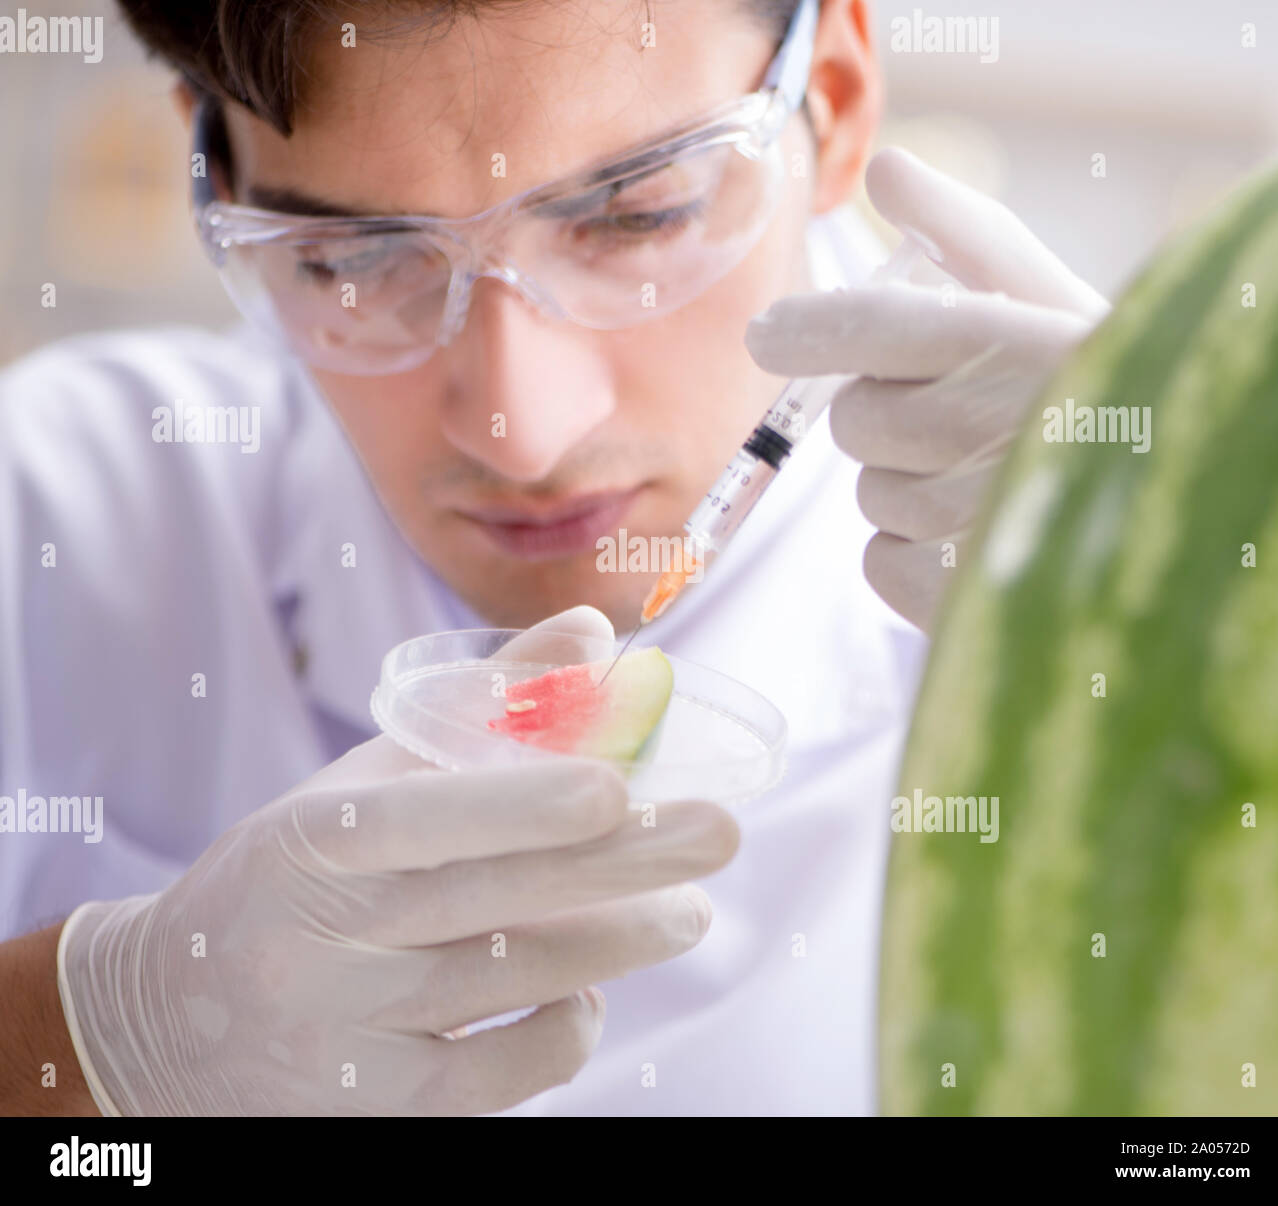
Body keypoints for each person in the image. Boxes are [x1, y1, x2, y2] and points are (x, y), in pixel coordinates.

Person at [0, 0, 1105, 1115]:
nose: (522, 432)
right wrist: (92, 1034)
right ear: (216, 175)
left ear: (834, 96)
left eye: (636, 217)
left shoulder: (1106, 551)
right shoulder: (55, 509)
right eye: (352, 258)